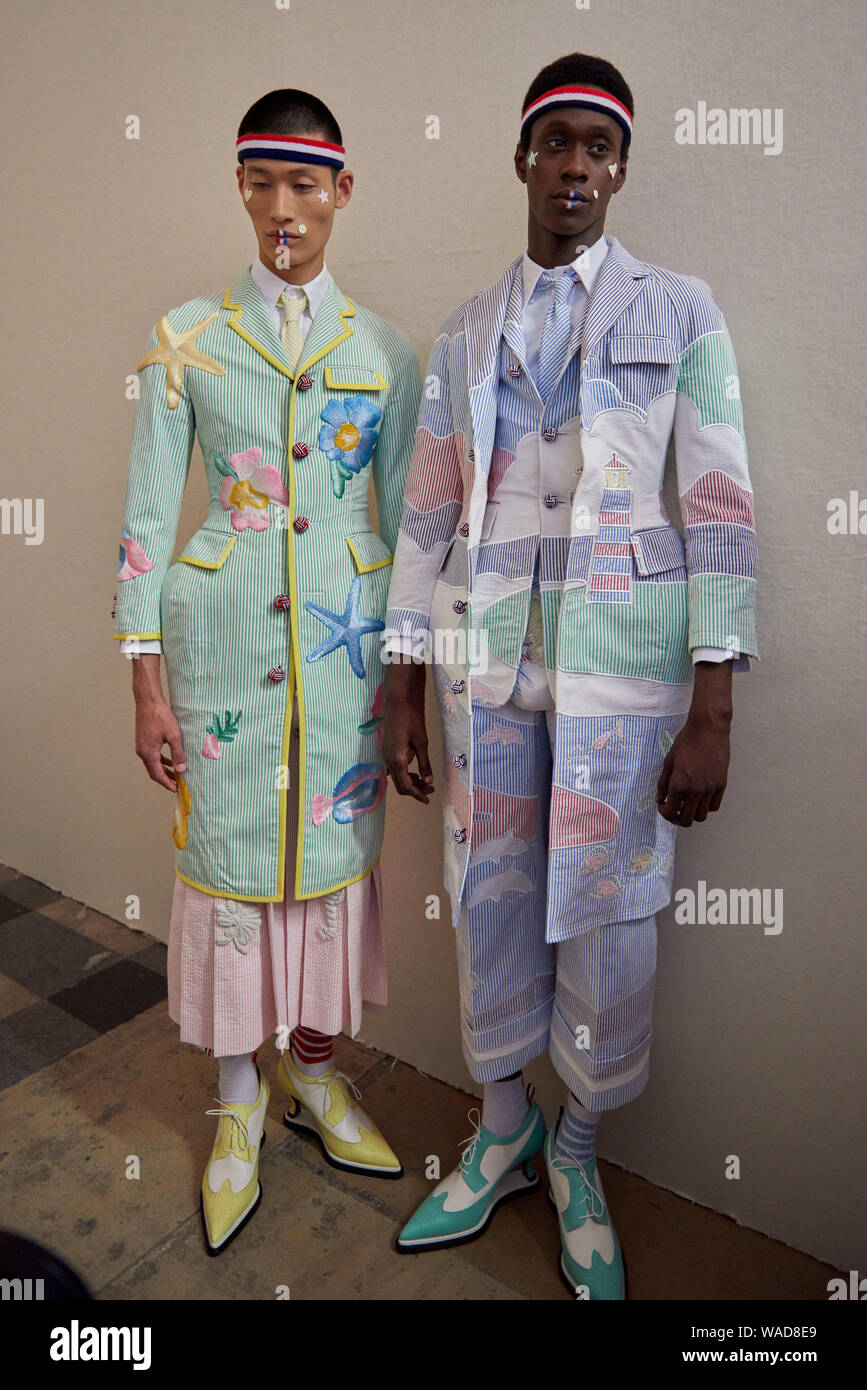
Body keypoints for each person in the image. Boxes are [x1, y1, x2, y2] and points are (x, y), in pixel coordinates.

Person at [382, 52, 758, 1299]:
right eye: (557, 144)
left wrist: (714, 702)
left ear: (623, 168)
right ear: (525, 160)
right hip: (484, 670)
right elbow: (428, 513)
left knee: (606, 908)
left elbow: (717, 505)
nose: (577, 167)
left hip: (627, 683)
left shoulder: (681, 311)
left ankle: (582, 1152)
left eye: (600, 147)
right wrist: (399, 679)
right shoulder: (466, 331)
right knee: (482, 891)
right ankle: (503, 1131)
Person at [112, 88, 421, 1255]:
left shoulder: (386, 351)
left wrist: (402, 681)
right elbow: (146, 519)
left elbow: (409, 526)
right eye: (261, 183)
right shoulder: (187, 334)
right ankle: (240, 1101)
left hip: (342, 673)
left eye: (305, 185)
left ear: (342, 190)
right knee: (234, 870)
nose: (282, 209)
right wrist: (143, 679)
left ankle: (319, 1078)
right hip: (222, 659)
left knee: (331, 866)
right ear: (240, 187)